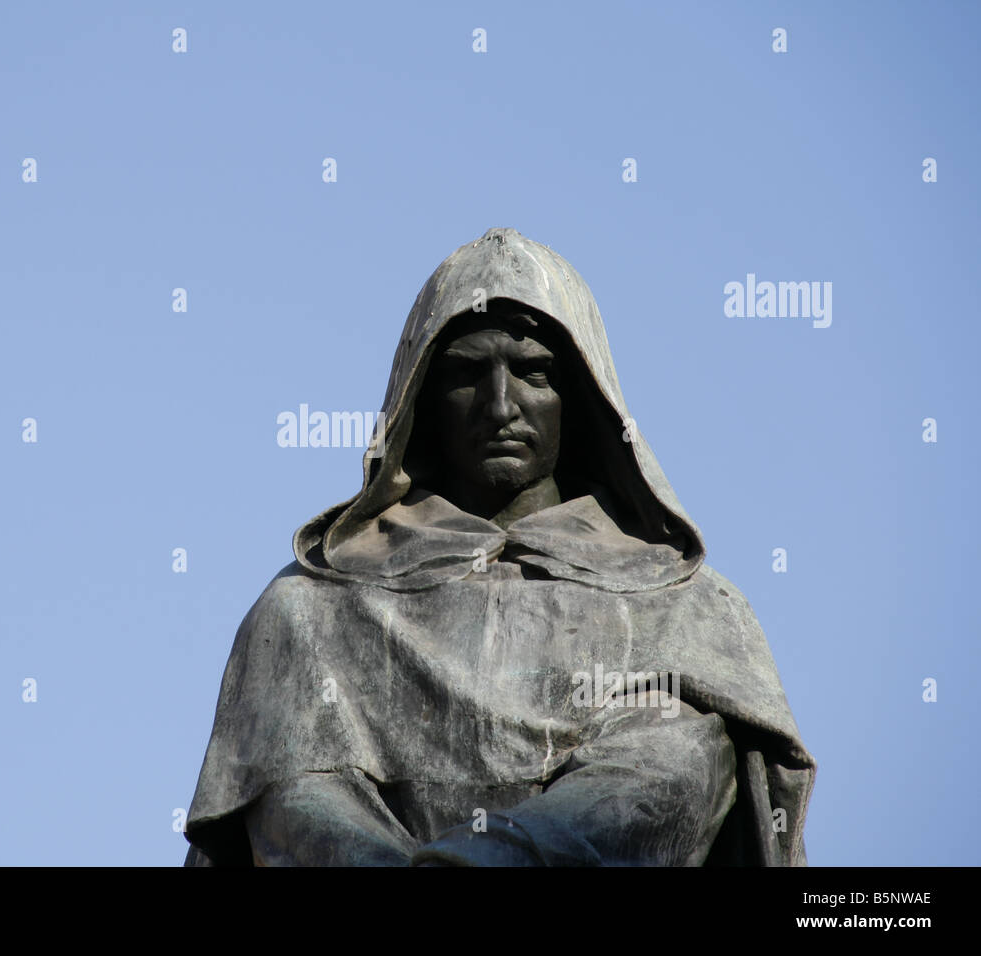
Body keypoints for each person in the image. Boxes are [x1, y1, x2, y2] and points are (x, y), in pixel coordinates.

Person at [184, 227, 815, 866]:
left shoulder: (688, 604)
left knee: (687, 740)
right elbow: (288, 802)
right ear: (420, 403)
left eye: (533, 371)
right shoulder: (313, 605)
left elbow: (686, 780)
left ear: (582, 395)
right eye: (466, 375)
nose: (501, 405)